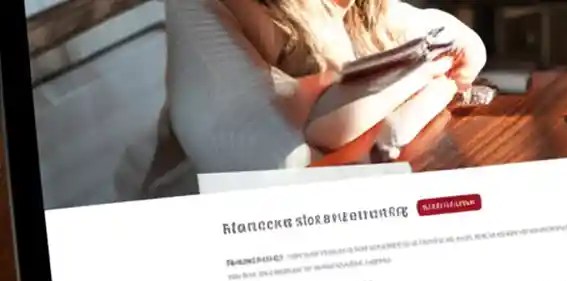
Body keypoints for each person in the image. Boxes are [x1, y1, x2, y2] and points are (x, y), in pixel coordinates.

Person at [122, 0, 486, 198]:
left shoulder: (360, 9)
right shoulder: (208, 8)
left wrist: (430, 81)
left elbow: (459, 45)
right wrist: (423, 79)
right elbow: (275, 165)